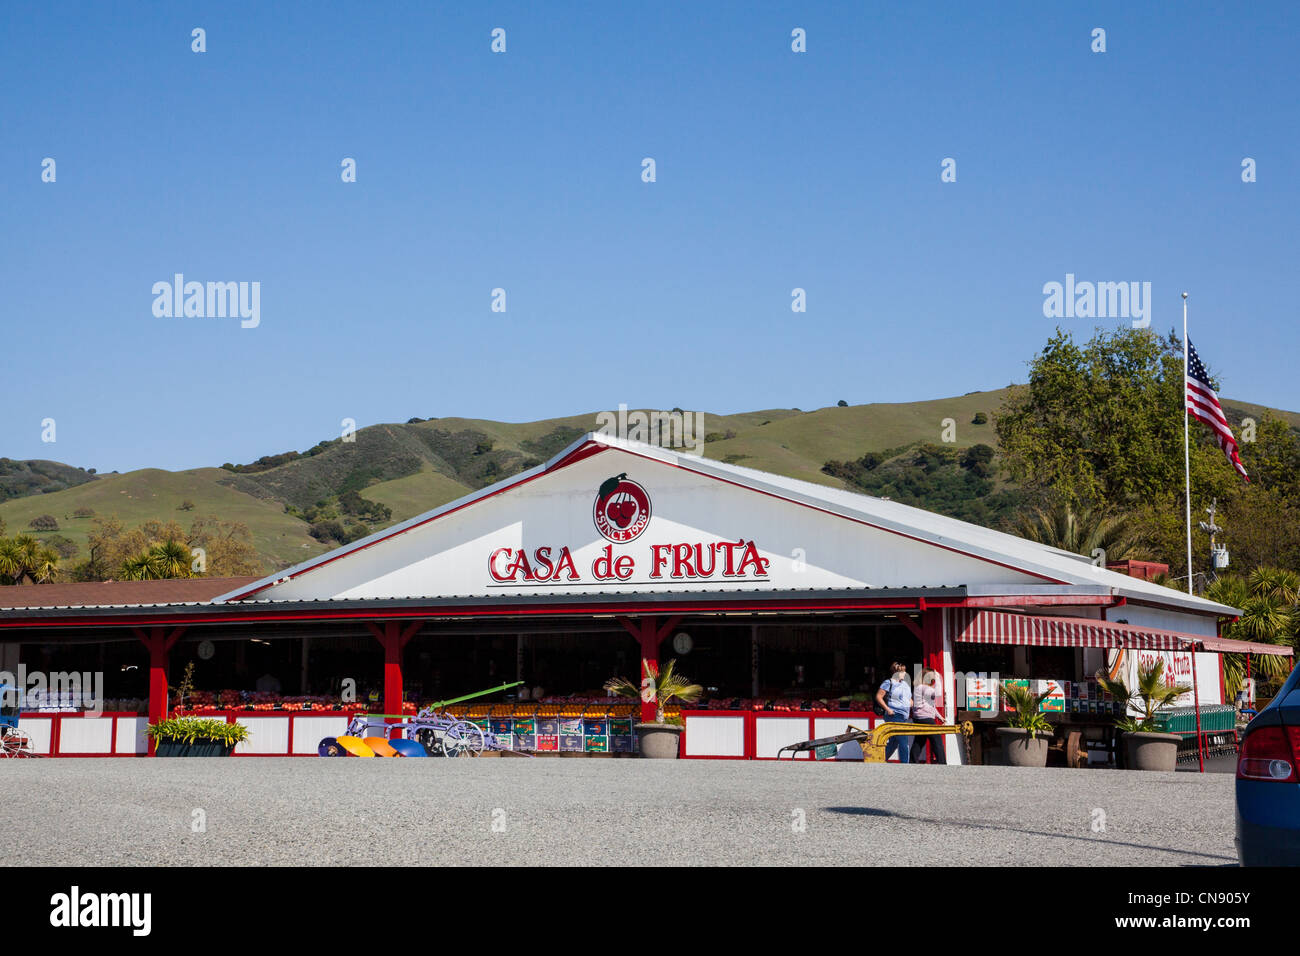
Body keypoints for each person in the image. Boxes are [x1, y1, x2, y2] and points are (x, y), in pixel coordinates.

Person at [874, 661, 912, 762]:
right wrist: (888, 709)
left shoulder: (905, 684)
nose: (905, 674)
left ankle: (879, 760)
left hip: (903, 716)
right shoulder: (889, 682)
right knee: (903, 741)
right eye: (902, 672)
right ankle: (905, 765)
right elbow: (879, 696)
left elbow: (909, 699)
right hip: (894, 715)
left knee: (894, 741)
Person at [910, 668, 946, 764]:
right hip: (925, 718)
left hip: (919, 718)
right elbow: (938, 693)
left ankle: (913, 762)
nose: (933, 679)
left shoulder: (919, 687)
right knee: (937, 740)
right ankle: (942, 763)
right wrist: (938, 678)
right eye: (932, 677)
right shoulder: (923, 688)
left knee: (919, 740)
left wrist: (939, 716)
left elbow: (931, 705)